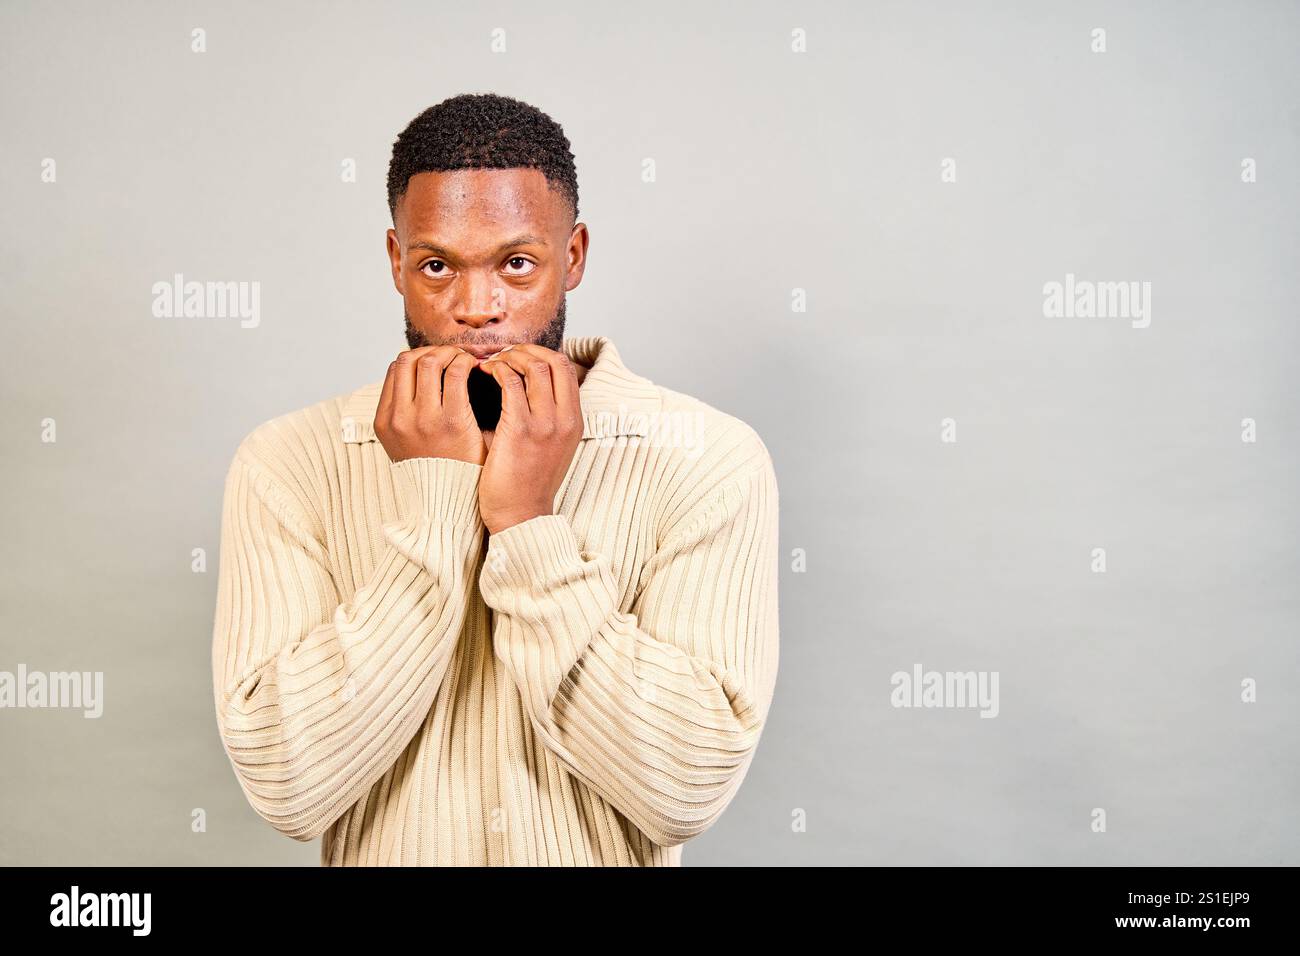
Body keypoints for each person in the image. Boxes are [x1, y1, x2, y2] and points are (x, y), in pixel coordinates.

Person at [210, 92, 780, 866]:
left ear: (572, 256)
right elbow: (290, 788)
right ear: (395, 262)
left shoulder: (706, 456)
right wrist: (441, 500)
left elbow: (682, 789)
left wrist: (527, 525)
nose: (477, 309)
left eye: (516, 263)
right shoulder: (288, 460)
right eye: (438, 266)